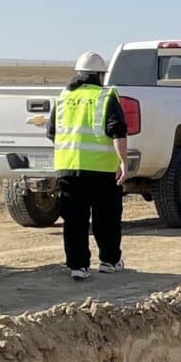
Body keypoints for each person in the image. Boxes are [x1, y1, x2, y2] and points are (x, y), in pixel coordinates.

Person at [49, 49, 130, 280]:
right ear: (98, 75)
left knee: (74, 220)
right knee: (107, 218)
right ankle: (109, 261)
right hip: (101, 170)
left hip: (68, 167)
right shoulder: (105, 97)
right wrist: (123, 162)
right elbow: (117, 131)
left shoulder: (63, 97)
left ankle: (78, 266)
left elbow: (51, 132)